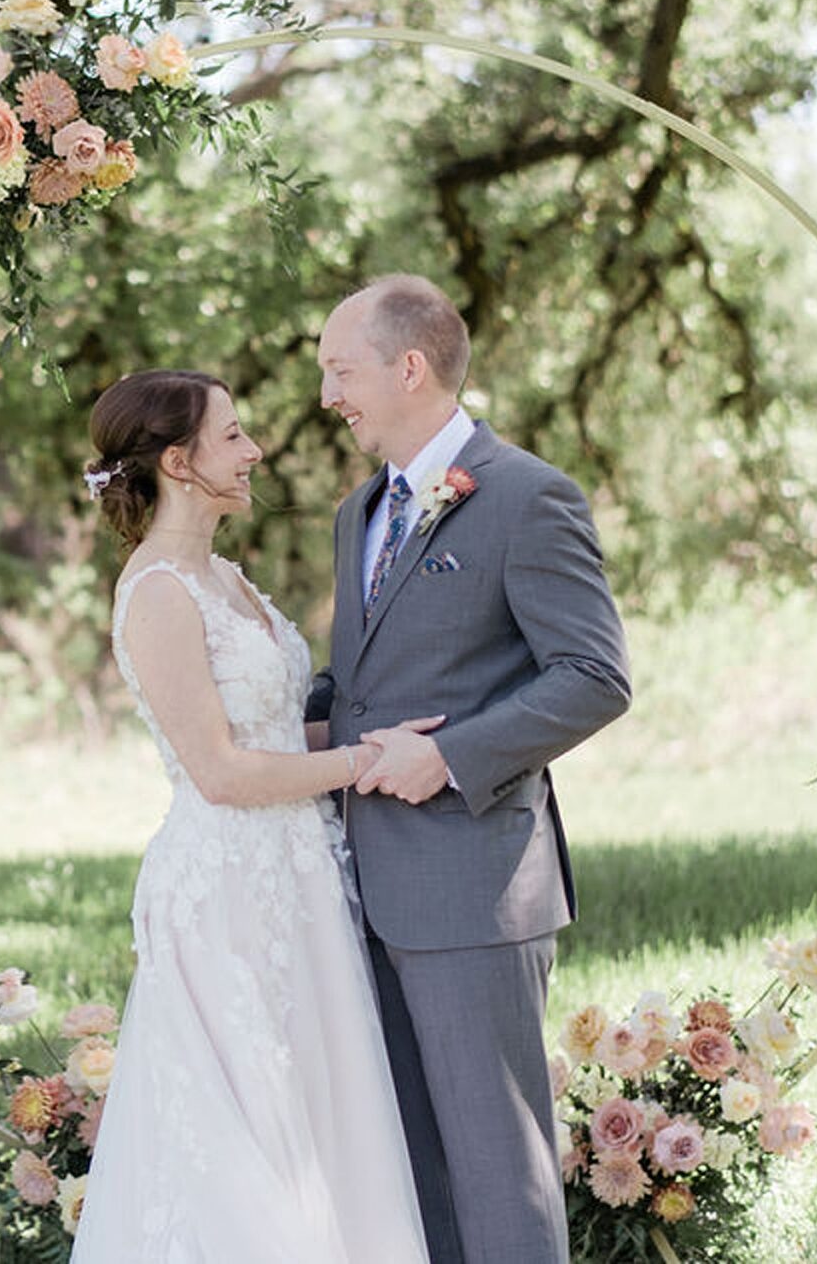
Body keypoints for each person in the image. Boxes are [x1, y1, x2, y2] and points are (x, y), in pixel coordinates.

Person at [69, 369, 431, 1263]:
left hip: (297, 873)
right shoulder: (157, 593)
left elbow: (268, 729)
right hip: (228, 888)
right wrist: (366, 764)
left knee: (319, 1108)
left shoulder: (222, 576)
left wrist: (367, 734)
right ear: (181, 462)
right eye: (234, 435)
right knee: (247, 1131)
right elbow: (222, 773)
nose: (255, 449)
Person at [312, 274, 632, 1263]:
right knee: (414, 1177)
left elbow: (592, 675)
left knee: (498, 1171)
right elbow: (363, 685)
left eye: (339, 370)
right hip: (362, 889)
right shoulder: (358, 511)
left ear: (408, 367)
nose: (327, 396)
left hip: (473, 890)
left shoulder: (529, 498)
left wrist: (447, 757)